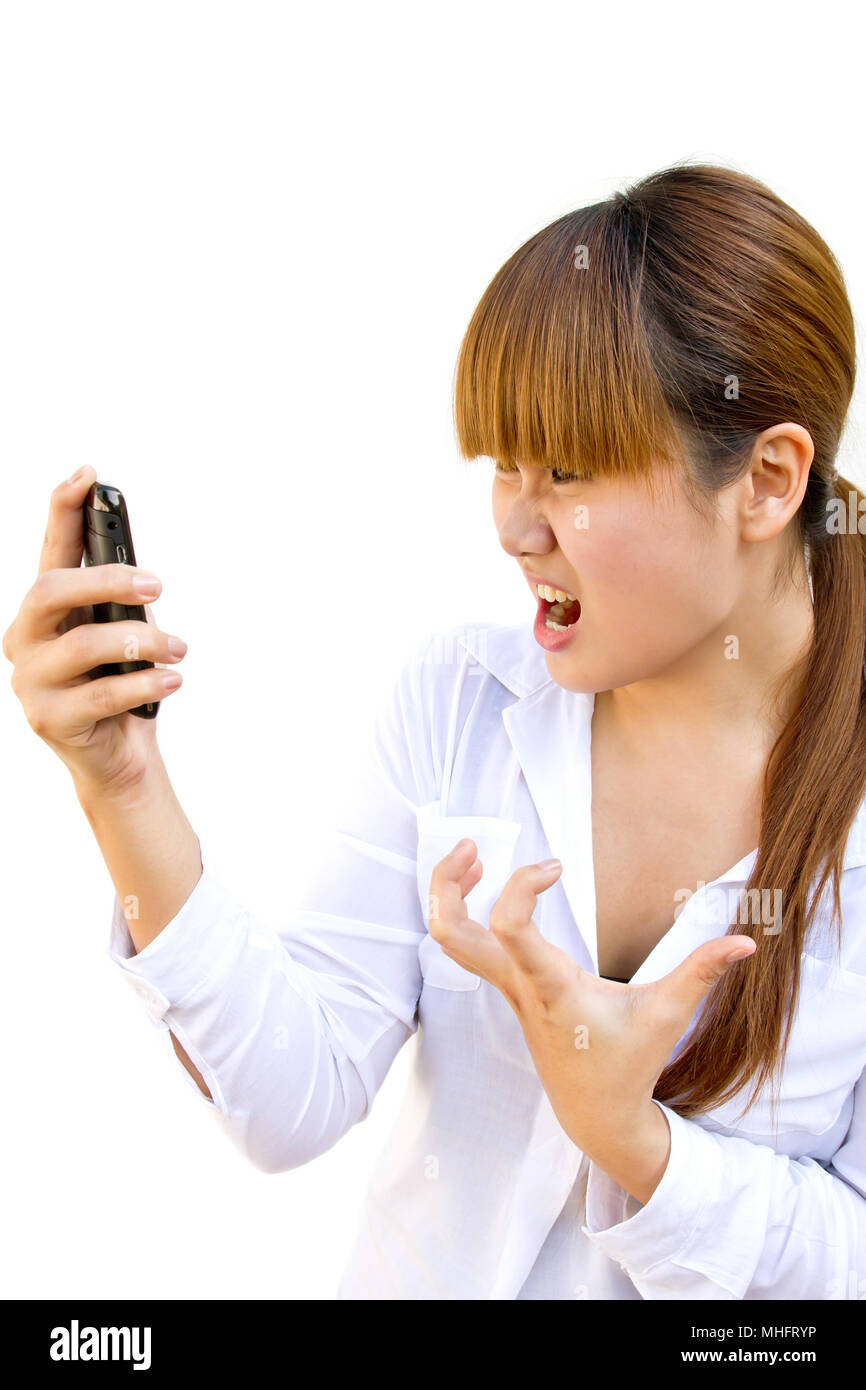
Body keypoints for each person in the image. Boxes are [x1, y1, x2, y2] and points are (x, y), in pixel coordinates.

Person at [5, 160, 866, 1301]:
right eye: (505, 464)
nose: (515, 525)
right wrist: (121, 785)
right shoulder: (460, 696)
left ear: (766, 480)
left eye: (570, 472)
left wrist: (639, 1146)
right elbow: (293, 1098)